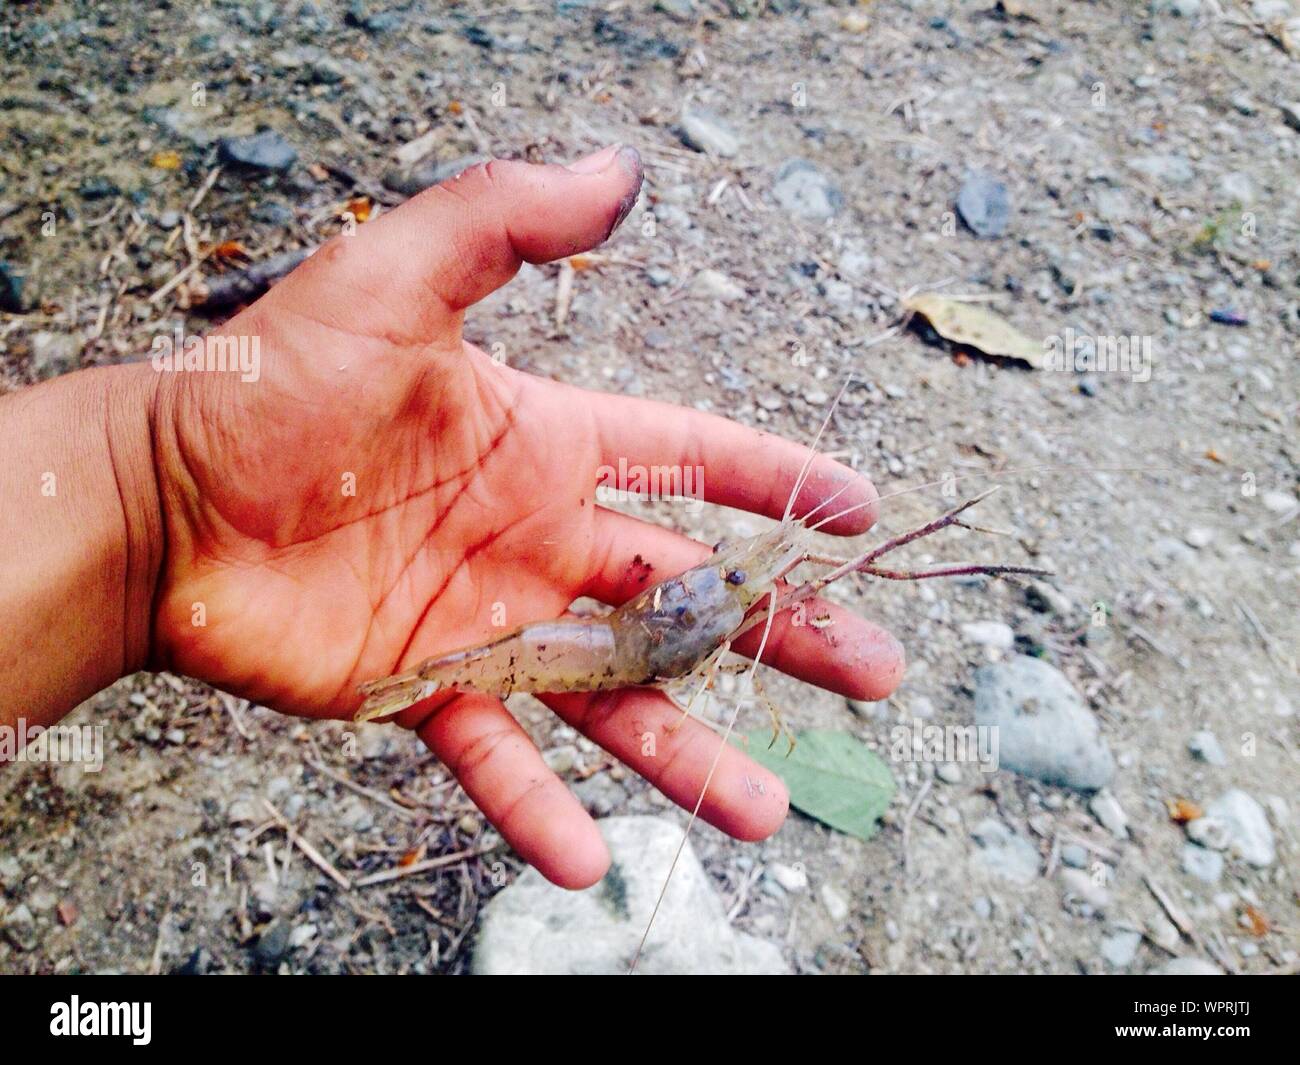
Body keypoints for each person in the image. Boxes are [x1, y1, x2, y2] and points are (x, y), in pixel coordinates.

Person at [0, 144, 903, 888]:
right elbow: (693, 615)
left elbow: (690, 618)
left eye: (729, 583)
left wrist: (153, 488)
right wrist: (158, 479)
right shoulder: (672, 614)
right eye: (730, 578)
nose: (734, 576)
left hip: (597, 646)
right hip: (575, 649)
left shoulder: (674, 615)